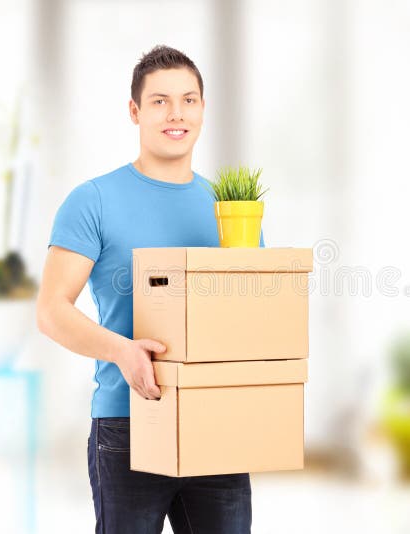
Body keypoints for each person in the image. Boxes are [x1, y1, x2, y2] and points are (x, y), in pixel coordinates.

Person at [36, 44, 260, 534]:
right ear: (135, 111)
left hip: (217, 423)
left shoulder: (231, 211)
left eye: (188, 100)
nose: (176, 113)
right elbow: (51, 310)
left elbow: (254, 320)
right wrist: (123, 352)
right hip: (128, 422)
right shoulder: (93, 200)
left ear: (204, 108)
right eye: (159, 101)